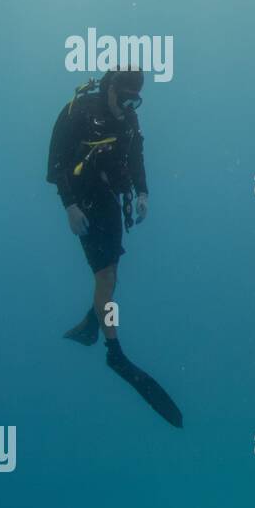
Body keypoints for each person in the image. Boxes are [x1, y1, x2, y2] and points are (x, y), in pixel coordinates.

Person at [46, 67, 181, 427]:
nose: (127, 108)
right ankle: (114, 351)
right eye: (123, 100)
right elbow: (56, 164)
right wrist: (69, 207)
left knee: (111, 278)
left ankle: (92, 324)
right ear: (109, 89)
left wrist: (143, 193)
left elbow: (135, 158)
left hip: (109, 201)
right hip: (84, 202)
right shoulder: (77, 112)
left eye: (134, 102)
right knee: (105, 278)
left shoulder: (129, 119)